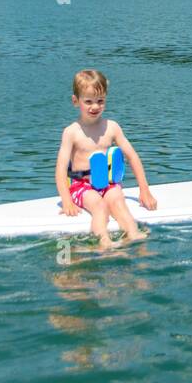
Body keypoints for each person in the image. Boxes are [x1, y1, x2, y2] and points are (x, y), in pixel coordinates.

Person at [55, 69, 157, 249]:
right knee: (100, 207)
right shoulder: (71, 132)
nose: (95, 106)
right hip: (81, 186)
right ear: (75, 101)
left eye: (100, 101)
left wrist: (144, 190)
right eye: (88, 101)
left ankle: (133, 235)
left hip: (107, 183)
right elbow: (61, 169)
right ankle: (104, 243)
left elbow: (132, 156)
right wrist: (67, 201)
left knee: (118, 202)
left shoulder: (112, 128)